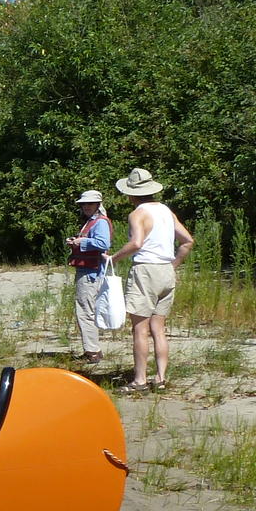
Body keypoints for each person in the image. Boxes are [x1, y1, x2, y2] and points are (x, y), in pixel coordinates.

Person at [107, 167, 194, 391]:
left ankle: (140, 380)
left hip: (145, 270)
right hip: (166, 270)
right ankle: (161, 378)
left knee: (140, 329)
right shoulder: (166, 210)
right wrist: (173, 265)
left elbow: (136, 243)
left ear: (131, 194)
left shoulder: (138, 213)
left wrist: (114, 258)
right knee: (159, 327)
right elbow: (187, 241)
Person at [66, 190, 112, 362]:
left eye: (90, 204)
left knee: (85, 311)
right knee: (87, 310)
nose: (85, 206)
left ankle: (92, 351)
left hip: (91, 273)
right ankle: (93, 350)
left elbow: (104, 243)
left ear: (98, 205)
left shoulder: (100, 222)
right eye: (83, 204)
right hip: (88, 271)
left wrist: (81, 242)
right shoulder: (91, 222)